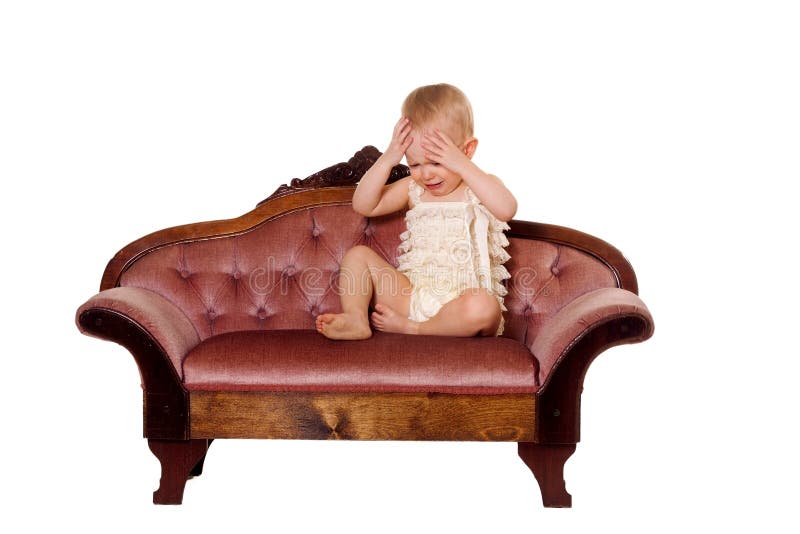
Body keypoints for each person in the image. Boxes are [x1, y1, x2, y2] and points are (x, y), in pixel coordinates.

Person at [315, 83, 517, 340]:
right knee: (358, 256)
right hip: (412, 299)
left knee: (483, 305)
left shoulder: (479, 186)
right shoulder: (414, 189)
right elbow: (363, 205)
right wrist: (389, 157)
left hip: (463, 310)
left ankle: (416, 329)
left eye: (437, 162)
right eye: (415, 164)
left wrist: (462, 165)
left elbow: (507, 208)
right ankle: (356, 318)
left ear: (466, 151)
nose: (426, 174)